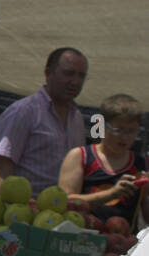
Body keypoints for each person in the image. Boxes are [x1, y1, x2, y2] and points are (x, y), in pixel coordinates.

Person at [0, 47, 88, 191]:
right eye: (68, 73)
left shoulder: (77, 119)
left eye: (81, 76)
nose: (75, 82)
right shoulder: (23, 111)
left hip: (64, 210)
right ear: (48, 73)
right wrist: (9, 205)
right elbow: (3, 166)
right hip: (26, 208)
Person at [59, 93, 148, 223]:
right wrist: (111, 194)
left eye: (131, 131)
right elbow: (64, 202)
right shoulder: (81, 156)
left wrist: (146, 194)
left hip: (124, 241)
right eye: (119, 129)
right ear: (101, 125)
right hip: (83, 238)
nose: (125, 137)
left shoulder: (141, 164)